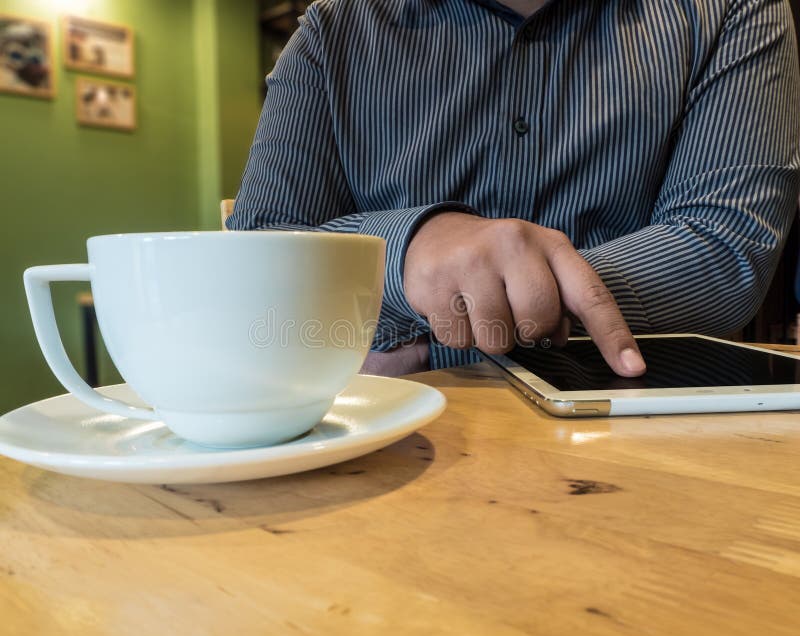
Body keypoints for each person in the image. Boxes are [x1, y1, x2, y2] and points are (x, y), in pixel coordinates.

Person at [228, 0, 800, 377]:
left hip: (630, 431)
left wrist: (438, 341)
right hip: (376, 444)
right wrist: (410, 246)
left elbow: (724, 251)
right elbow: (254, 260)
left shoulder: (730, 10)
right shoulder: (333, 32)